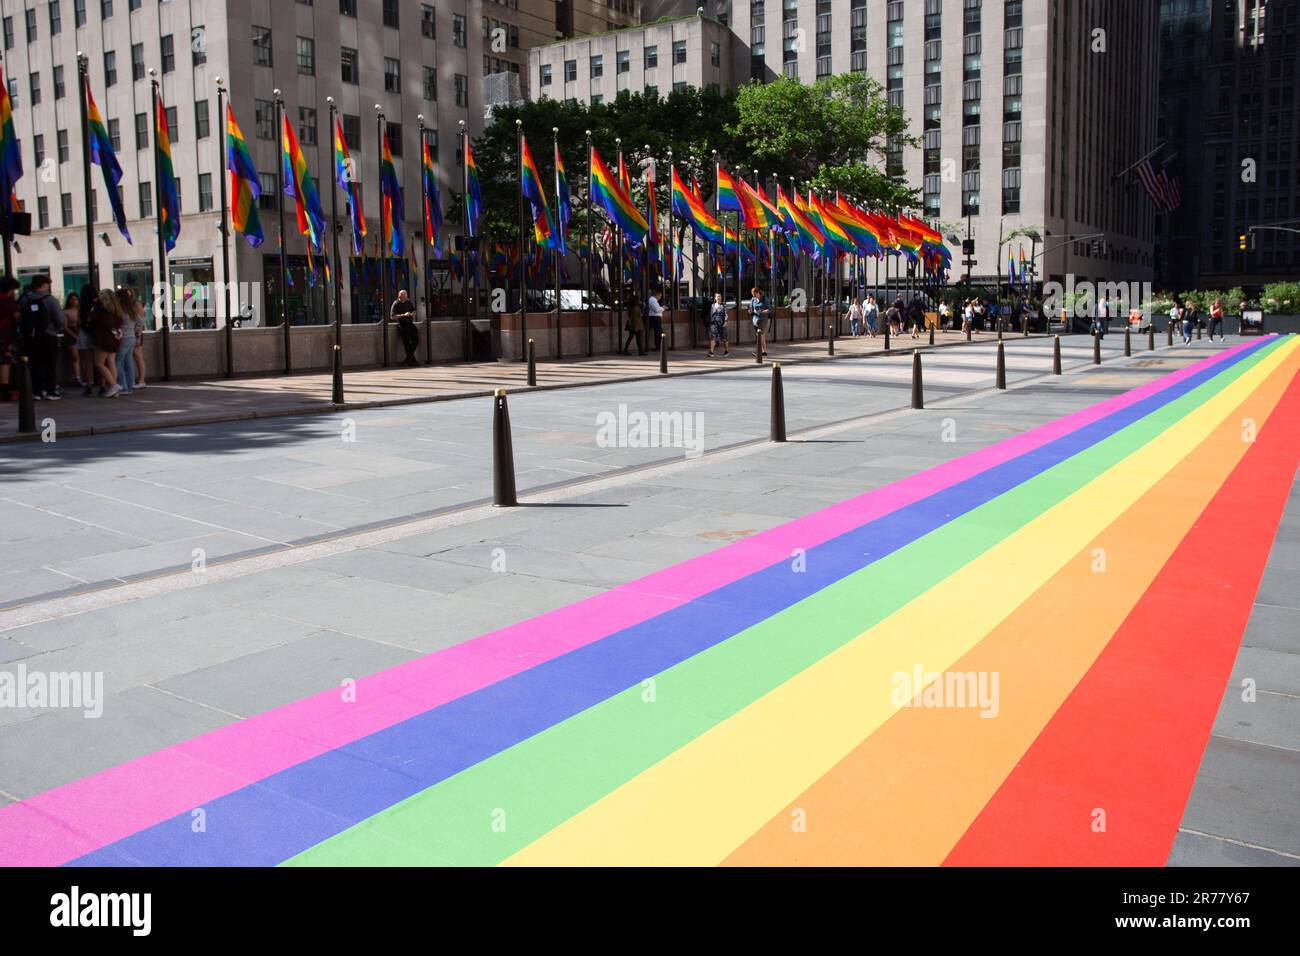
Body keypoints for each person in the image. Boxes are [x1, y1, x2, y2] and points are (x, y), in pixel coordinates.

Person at [18, 275, 66, 400]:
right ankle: (50, 390)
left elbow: (20, 317)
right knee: (50, 364)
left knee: (35, 364)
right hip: (48, 335)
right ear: (44, 285)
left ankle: (36, 391)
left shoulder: (25, 299)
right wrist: (55, 328)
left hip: (31, 337)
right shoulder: (50, 299)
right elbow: (59, 319)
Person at [87, 289, 123, 396]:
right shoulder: (117, 309)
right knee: (111, 362)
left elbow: (92, 320)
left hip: (102, 338)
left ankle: (113, 385)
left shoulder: (102, 310)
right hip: (113, 338)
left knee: (99, 363)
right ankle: (114, 387)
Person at [114, 287, 139, 394]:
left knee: (118, 362)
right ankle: (130, 385)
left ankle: (123, 386)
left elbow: (117, 323)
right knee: (129, 362)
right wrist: (137, 331)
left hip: (124, 338)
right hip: (132, 337)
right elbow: (141, 321)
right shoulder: (131, 310)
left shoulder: (121, 311)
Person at [0, 276, 20, 401]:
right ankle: (5, 390)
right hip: (5, 336)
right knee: (5, 362)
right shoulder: (8, 301)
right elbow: (17, 317)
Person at [391, 289, 419, 366]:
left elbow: (414, 311)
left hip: (410, 323)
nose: (406, 298)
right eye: (404, 296)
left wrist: (412, 314)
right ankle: (412, 361)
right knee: (406, 343)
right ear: (400, 296)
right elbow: (392, 316)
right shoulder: (396, 303)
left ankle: (408, 359)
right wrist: (403, 315)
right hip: (402, 324)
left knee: (416, 340)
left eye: (406, 296)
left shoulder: (408, 302)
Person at [62, 293, 84, 389]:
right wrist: (74, 336)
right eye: (72, 299)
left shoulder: (81, 311)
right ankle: (77, 377)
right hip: (71, 334)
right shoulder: (65, 312)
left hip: (81, 332)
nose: (74, 301)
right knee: (75, 357)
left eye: (76, 299)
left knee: (83, 357)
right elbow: (65, 327)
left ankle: (86, 377)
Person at [749, 286, 771, 357]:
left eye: (755, 294)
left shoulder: (765, 299)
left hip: (763, 319)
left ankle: (758, 351)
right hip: (755, 319)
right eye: (753, 295)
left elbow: (770, 309)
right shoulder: (753, 299)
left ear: (759, 293)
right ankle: (764, 351)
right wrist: (750, 311)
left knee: (760, 335)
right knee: (761, 335)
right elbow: (750, 308)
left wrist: (763, 311)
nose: (754, 296)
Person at [621, 290, 644, 355]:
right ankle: (639, 351)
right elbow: (639, 315)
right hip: (635, 325)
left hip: (634, 325)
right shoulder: (635, 307)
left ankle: (639, 351)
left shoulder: (632, 307)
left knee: (632, 338)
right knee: (635, 338)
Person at [706, 292, 729, 358]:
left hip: (722, 323)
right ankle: (711, 352)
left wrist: (725, 322)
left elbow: (726, 314)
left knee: (724, 338)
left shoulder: (723, 305)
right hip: (714, 324)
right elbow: (711, 314)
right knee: (713, 337)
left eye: (720, 296)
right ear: (715, 298)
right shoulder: (712, 305)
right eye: (718, 296)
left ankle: (726, 351)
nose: (719, 298)